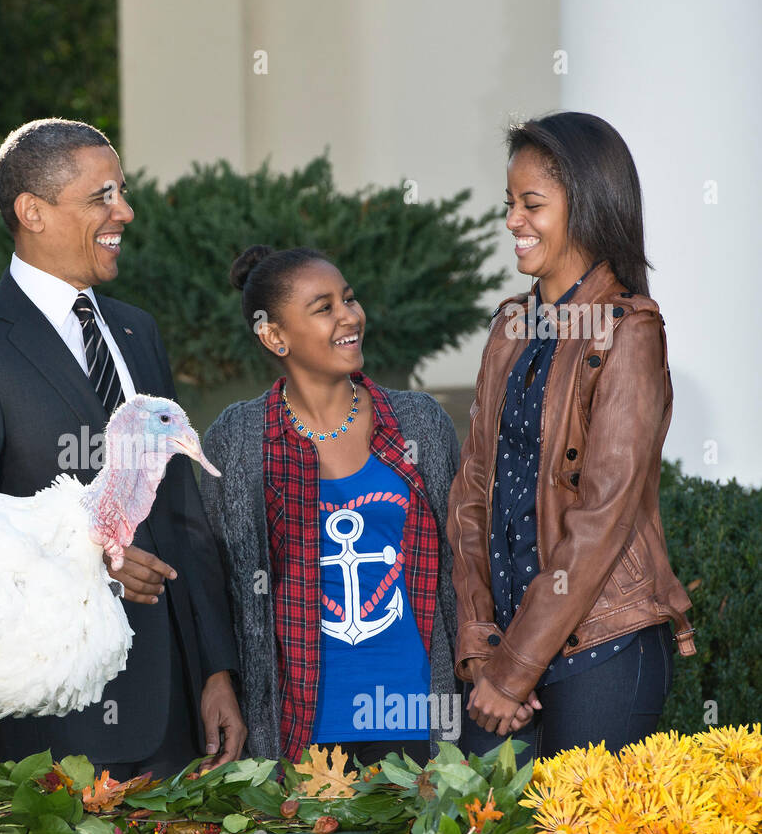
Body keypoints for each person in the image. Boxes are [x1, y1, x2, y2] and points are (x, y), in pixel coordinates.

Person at [0, 117, 244, 779]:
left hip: (177, 715)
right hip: (52, 728)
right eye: (102, 196)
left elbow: (184, 512)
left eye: (120, 191)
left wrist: (215, 669)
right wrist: (95, 559)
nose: (124, 210)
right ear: (31, 212)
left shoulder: (137, 332)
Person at [449, 111, 696, 762]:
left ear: (586, 206)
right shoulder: (509, 331)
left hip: (602, 652)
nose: (512, 222)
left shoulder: (629, 331)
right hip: (505, 659)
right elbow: (471, 491)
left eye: (532, 204)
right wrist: (480, 640)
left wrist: (514, 666)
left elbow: (602, 518)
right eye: (509, 204)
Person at [200, 246, 462, 766]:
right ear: (274, 335)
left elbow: (463, 559)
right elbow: (212, 581)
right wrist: (216, 681)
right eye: (324, 308)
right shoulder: (236, 439)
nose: (350, 316)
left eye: (350, 298)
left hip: (411, 716)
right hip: (296, 727)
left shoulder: (419, 423)